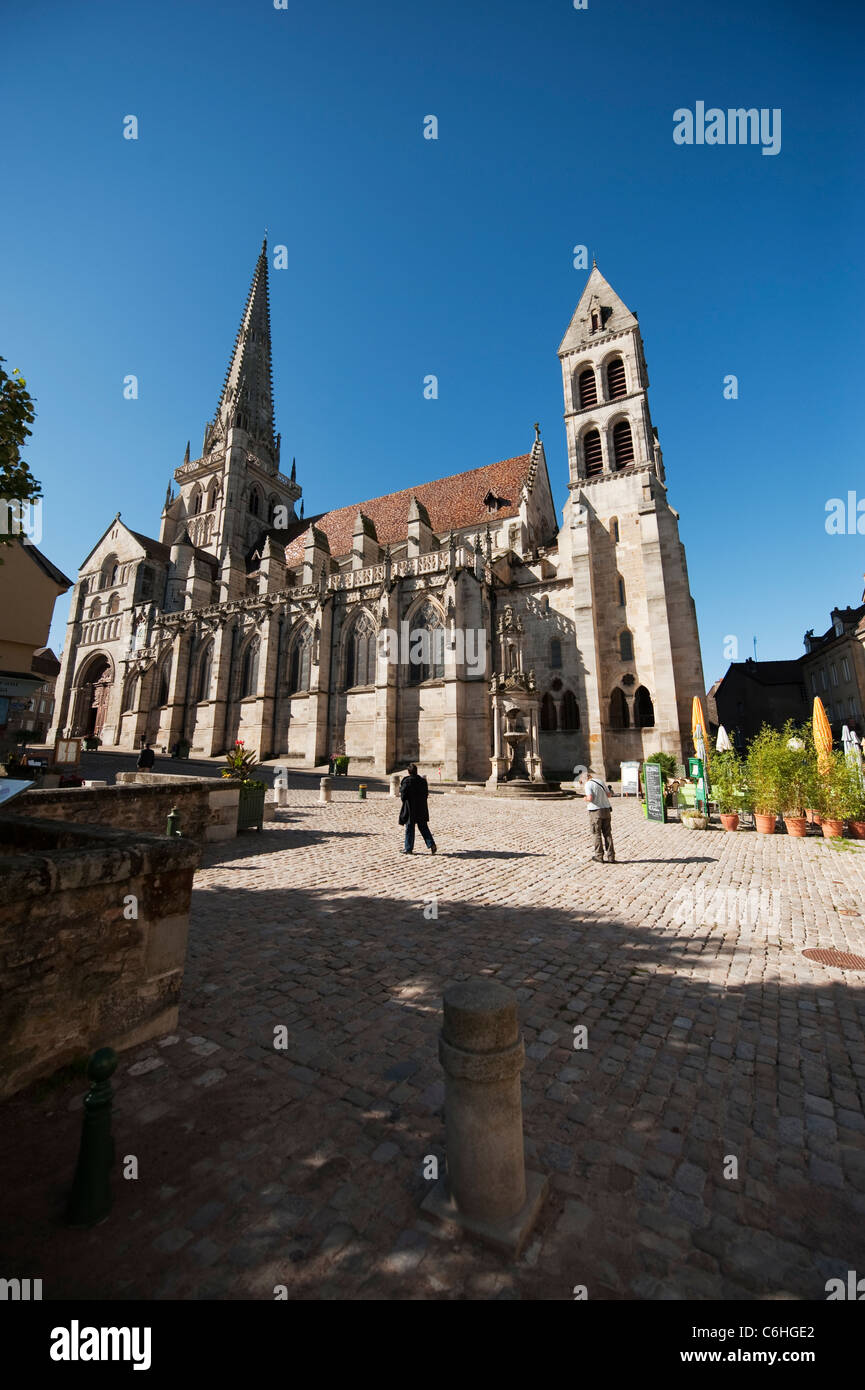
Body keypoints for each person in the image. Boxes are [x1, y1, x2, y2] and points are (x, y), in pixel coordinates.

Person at [399, 762, 437, 855]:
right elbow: (426, 794)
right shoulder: (423, 781)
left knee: (409, 827)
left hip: (410, 807)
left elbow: (403, 796)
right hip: (421, 807)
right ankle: (431, 844)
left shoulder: (407, 781)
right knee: (423, 827)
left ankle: (408, 848)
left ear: (409, 772)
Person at [583, 768, 615, 863]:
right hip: (606, 810)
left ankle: (599, 856)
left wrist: (585, 799)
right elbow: (609, 795)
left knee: (596, 833)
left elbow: (590, 798)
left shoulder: (588, 784)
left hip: (595, 811)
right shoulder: (599, 781)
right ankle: (611, 856)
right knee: (607, 834)